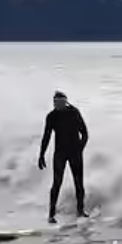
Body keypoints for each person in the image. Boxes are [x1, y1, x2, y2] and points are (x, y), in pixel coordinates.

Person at [37, 90, 89, 222]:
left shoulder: (74, 113)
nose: (57, 105)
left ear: (65, 102)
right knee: (57, 183)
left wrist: (80, 149)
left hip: (75, 153)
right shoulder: (52, 116)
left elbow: (85, 133)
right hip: (60, 153)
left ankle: (80, 211)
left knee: (79, 183)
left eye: (60, 102)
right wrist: (41, 154)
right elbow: (46, 136)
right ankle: (51, 215)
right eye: (55, 103)